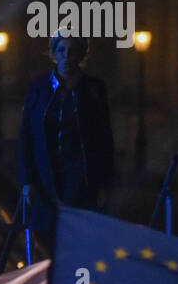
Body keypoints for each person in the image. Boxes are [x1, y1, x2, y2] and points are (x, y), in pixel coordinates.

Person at [17, 29, 115, 233]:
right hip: (46, 175)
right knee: (48, 235)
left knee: (78, 233)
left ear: (81, 55)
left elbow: (104, 138)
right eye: (61, 50)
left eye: (72, 51)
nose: (66, 56)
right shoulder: (38, 87)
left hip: (80, 175)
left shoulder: (93, 89)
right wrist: (26, 180)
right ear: (54, 53)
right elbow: (26, 134)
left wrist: (105, 183)